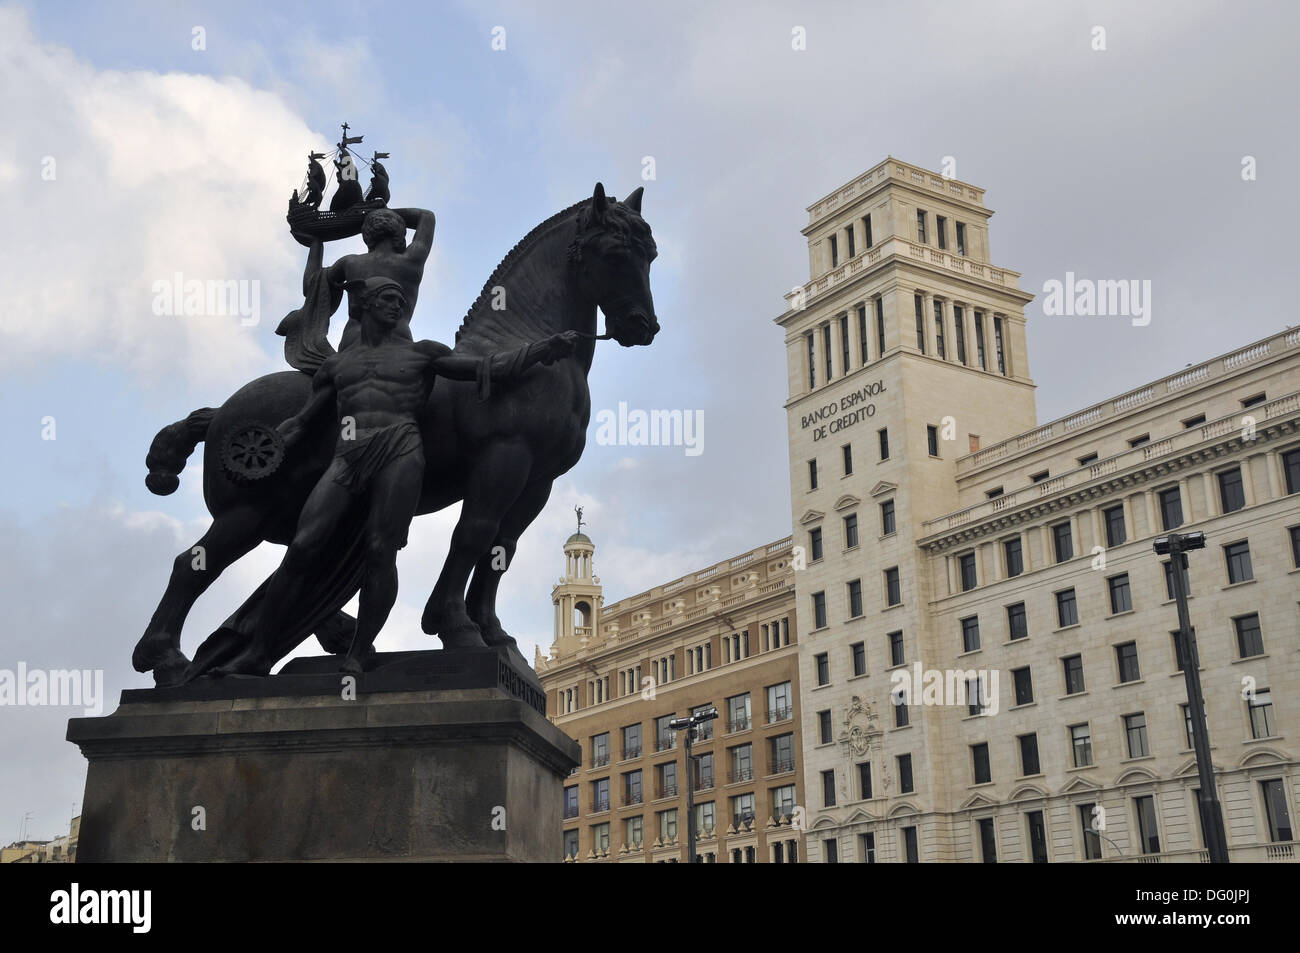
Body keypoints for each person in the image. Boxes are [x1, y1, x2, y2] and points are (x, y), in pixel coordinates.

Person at [219, 277, 580, 675]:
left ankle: (359, 652)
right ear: (366, 307)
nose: (397, 307)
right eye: (388, 300)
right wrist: (270, 449)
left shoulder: (423, 355)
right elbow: (303, 421)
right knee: (303, 546)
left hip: (401, 452)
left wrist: (542, 350)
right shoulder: (339, 365)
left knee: (379, 551)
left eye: (401, 300)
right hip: (348, 458)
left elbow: (485, 369)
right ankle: (258, 650)